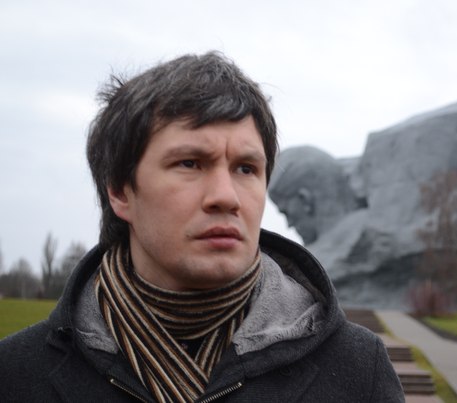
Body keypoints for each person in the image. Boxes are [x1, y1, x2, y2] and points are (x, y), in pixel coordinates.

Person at [0, 53, 404, 402]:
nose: (226, 197)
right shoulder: (15, 374)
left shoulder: (358, 370)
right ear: (121, 191)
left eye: (246, 168)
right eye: (190, 163)